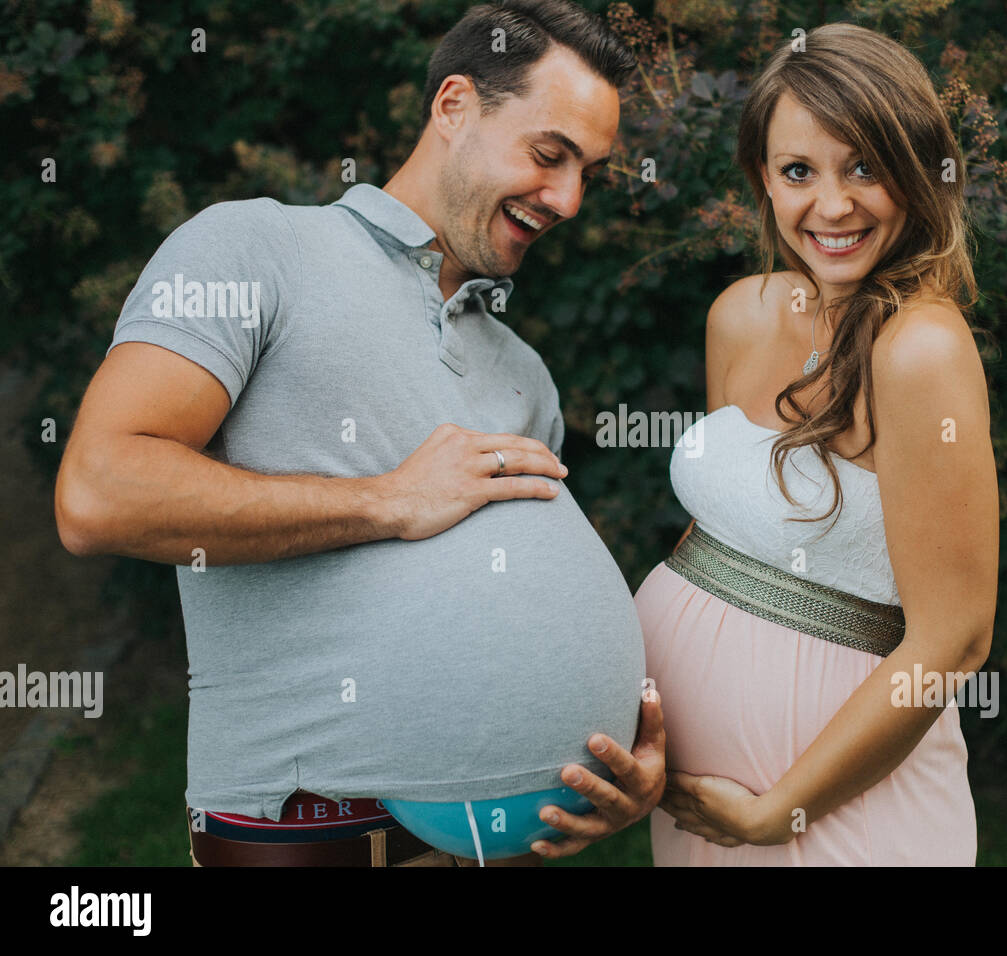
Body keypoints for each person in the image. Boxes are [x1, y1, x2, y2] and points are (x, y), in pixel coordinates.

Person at [54, 0, 665, 867]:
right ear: (454, 106)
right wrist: (387, 501)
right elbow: (98, 491)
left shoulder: (524, 374)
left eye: (588, 172)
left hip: (499, 844)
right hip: (306, 836)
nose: (567, 198)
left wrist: (608, 758)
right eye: (548, 153)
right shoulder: (255, 249)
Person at [633, 23, 999, 865]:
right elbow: (730, 529)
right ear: (763, 179)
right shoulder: (741, 313)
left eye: (864, 166)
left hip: (836, 815)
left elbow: (956, 640)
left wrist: (781, 812)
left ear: (917, 171)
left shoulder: (921, 351)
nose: (831, 206)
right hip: (696, 807)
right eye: (799, 171)